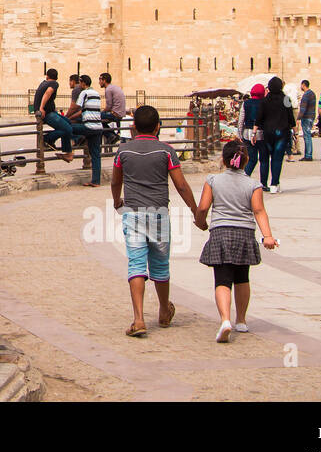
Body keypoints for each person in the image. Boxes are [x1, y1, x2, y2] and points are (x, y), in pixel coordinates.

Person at [110, 105, 199, 337]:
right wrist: (195, 210)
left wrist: (116, 200)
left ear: (133, 127)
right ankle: (163, 310)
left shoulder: (123, 152)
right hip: (159, 213)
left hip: (133, 213)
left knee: (136, 265)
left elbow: (115, 182)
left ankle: (138, 319)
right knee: (160, 264)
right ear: (158, 126)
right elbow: (181, 185)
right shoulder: (166, 151)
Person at [195, 141, 278, 343]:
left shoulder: (213, 180)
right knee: (242, 277)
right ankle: (241, 320)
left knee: (222, 279)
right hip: (244, 233)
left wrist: (200, 222)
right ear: (246, 161)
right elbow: (259, 211)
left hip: (221, 232)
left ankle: (225, 319)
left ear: (223, 160)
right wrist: (267, 236)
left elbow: (204, 207)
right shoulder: (253, 185)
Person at [254, 76, 294, 193]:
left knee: (265, 158)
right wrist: (295, 130)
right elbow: (290, 116)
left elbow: (259, 117)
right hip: (282, 132)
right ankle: (274, 184)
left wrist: (254, 132)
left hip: (267, 132)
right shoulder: (286, 99)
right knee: (277, 158)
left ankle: (263, 183)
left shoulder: (265, 100)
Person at [33, 68, 74, 160]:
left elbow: (49, 98)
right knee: (67, 129)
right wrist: (41, 108)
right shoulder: (54, 84)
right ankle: (46, 139)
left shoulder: (43, 83)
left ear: (47, 76)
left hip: (47, 112)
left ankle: (57, 144)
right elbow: (48, 93)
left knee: (68, 122)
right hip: (46, 113)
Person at [237, 86, 265, 176]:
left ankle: (244, 178)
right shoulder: (264, 103)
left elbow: (241, 120)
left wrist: (240, 135)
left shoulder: (245, 103)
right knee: (263, 160)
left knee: (252, 159)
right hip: (261, 134)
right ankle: (264, 183)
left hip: (247, 134)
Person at [99, 73, 127, 145]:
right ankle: (112, 135)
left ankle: (111, 135)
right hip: (120, 113)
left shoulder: (108, 89)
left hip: (115, 114)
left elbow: (109, 106)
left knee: (95, 117)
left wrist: (102, 112)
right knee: (101, 121)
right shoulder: (114, 87)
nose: (99, 82)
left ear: (104, 80)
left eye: (100, 79)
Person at [297, 80, 316, 161]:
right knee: (308, 135)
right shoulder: (312, 93)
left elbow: (303, 108)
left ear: (303, 85)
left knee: (307, 136)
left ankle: (308, 155)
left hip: (306, 117)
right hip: (311, 116)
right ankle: (308, 154)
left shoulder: (306, 95)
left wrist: (298, 118)